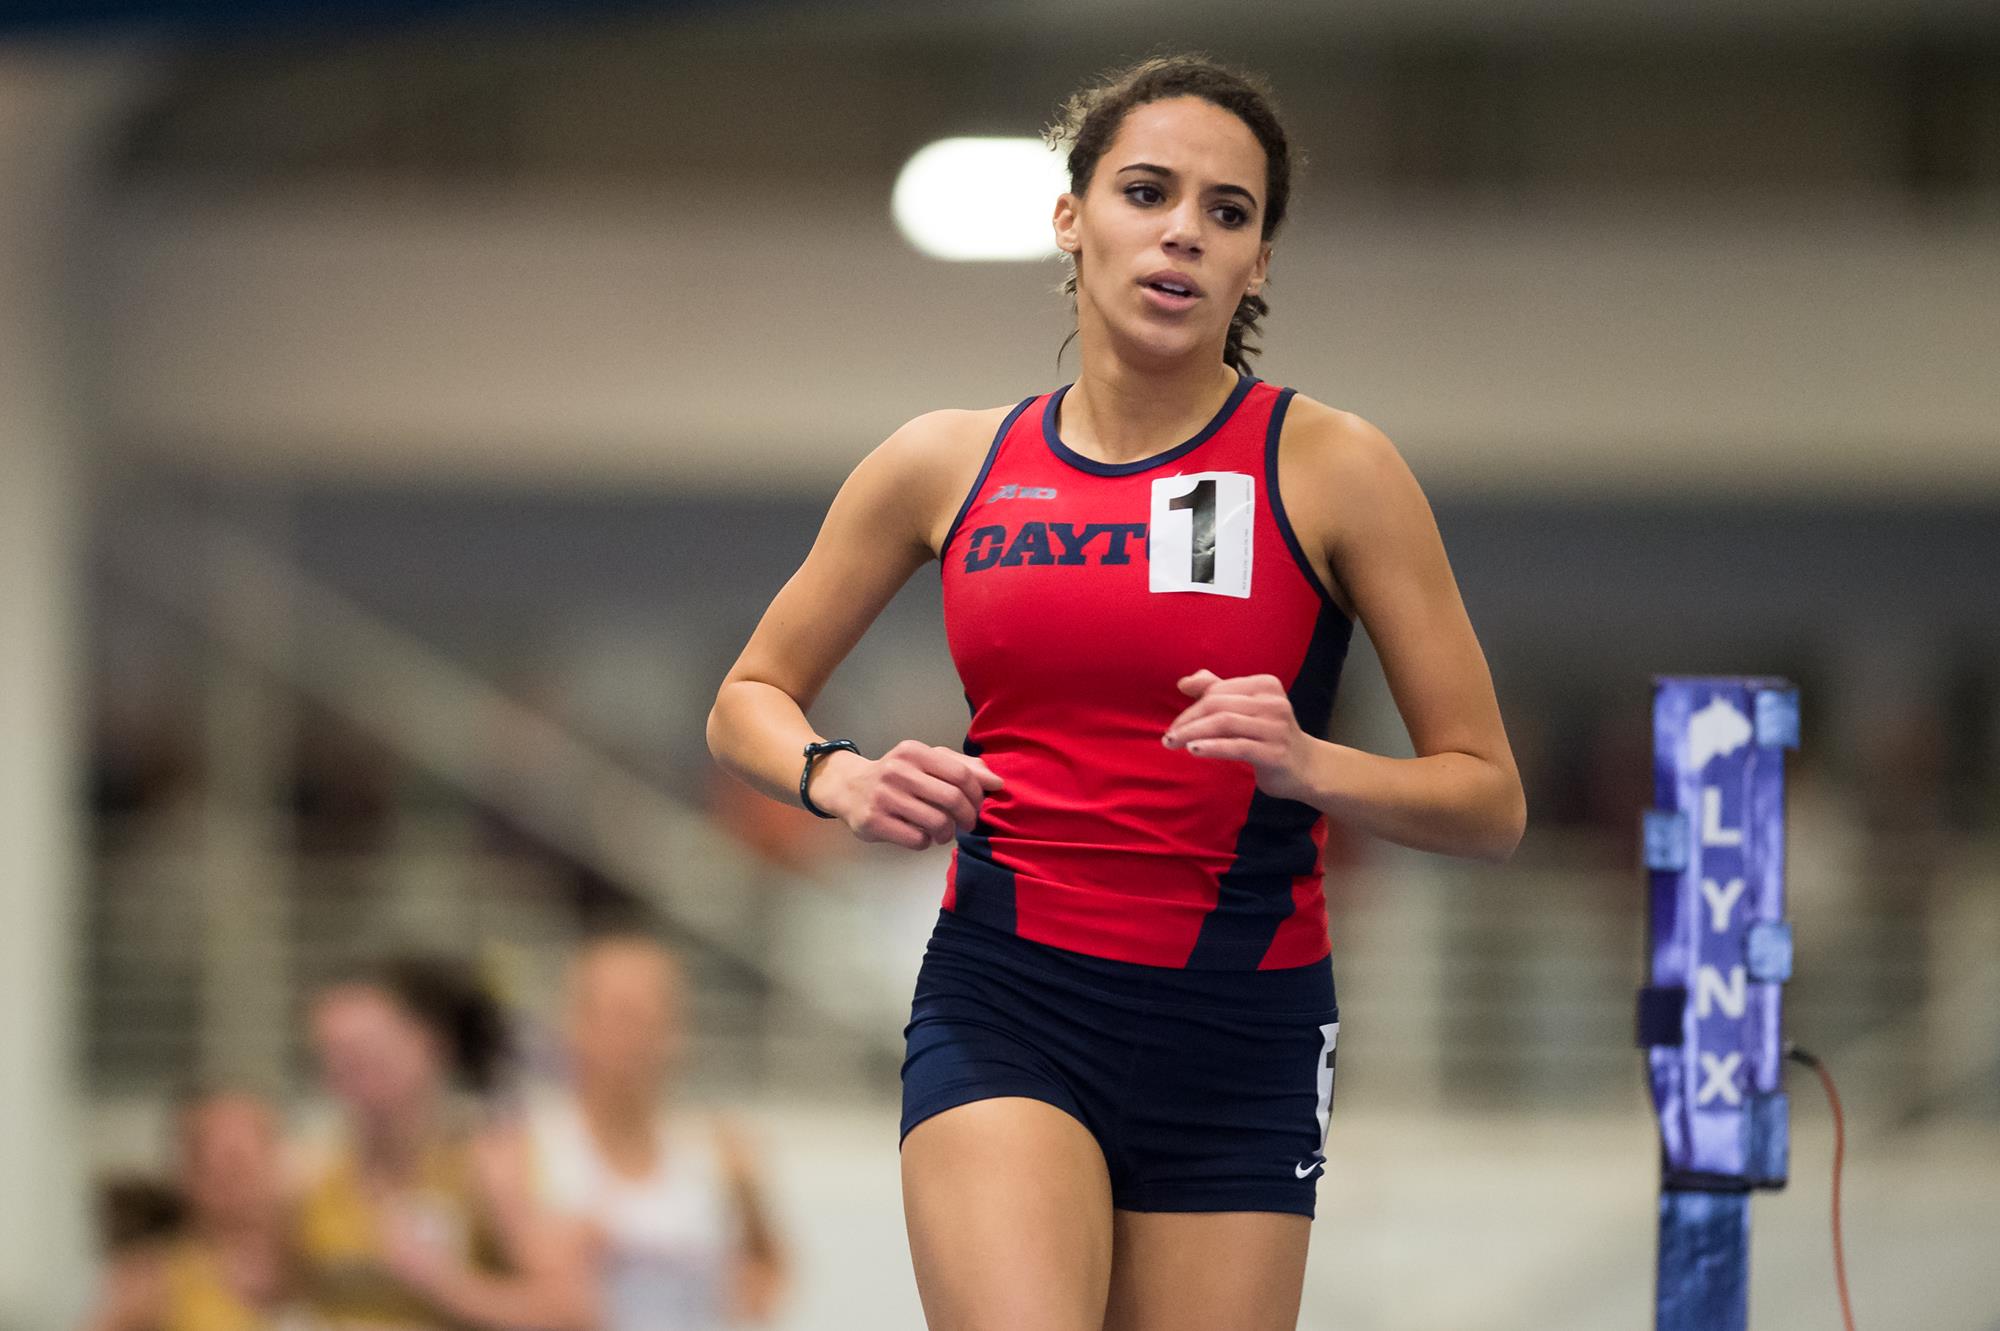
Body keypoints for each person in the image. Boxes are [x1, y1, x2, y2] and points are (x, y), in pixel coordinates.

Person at [706, 54, 1524, 1331]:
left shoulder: (1334, 468)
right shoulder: (947, 460)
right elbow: (748, 695)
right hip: (1008, 996)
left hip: (1241, 1025)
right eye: (1146, 192)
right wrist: (841, 775)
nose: (1182, 231)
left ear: (1256, 263)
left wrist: (1308, 762)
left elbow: (1486, 799)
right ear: (1069, 216)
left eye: (1226, 211)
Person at [296, 956, 597, 1330]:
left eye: (368, 1052)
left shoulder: (488, 1163)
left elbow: (571, 1312)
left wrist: (447, 1284)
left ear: (429, 1045)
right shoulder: (313, 1181)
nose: (351, 1074)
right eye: (335, 1056)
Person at [526, 936, 788, 1330]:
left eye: (652, 1019)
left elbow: (766, 1291)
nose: (635, 1039)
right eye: (620, 1016)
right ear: (576, 1026)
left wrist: (750, 1212)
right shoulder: (528, 1149)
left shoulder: (718, 1152)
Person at [79, 1092, 297, 1331]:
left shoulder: (310, 1250)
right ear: (186, 1175)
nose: (233, 1183)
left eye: (244, 1163)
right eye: (217, 1166)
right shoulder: (153, 1280)